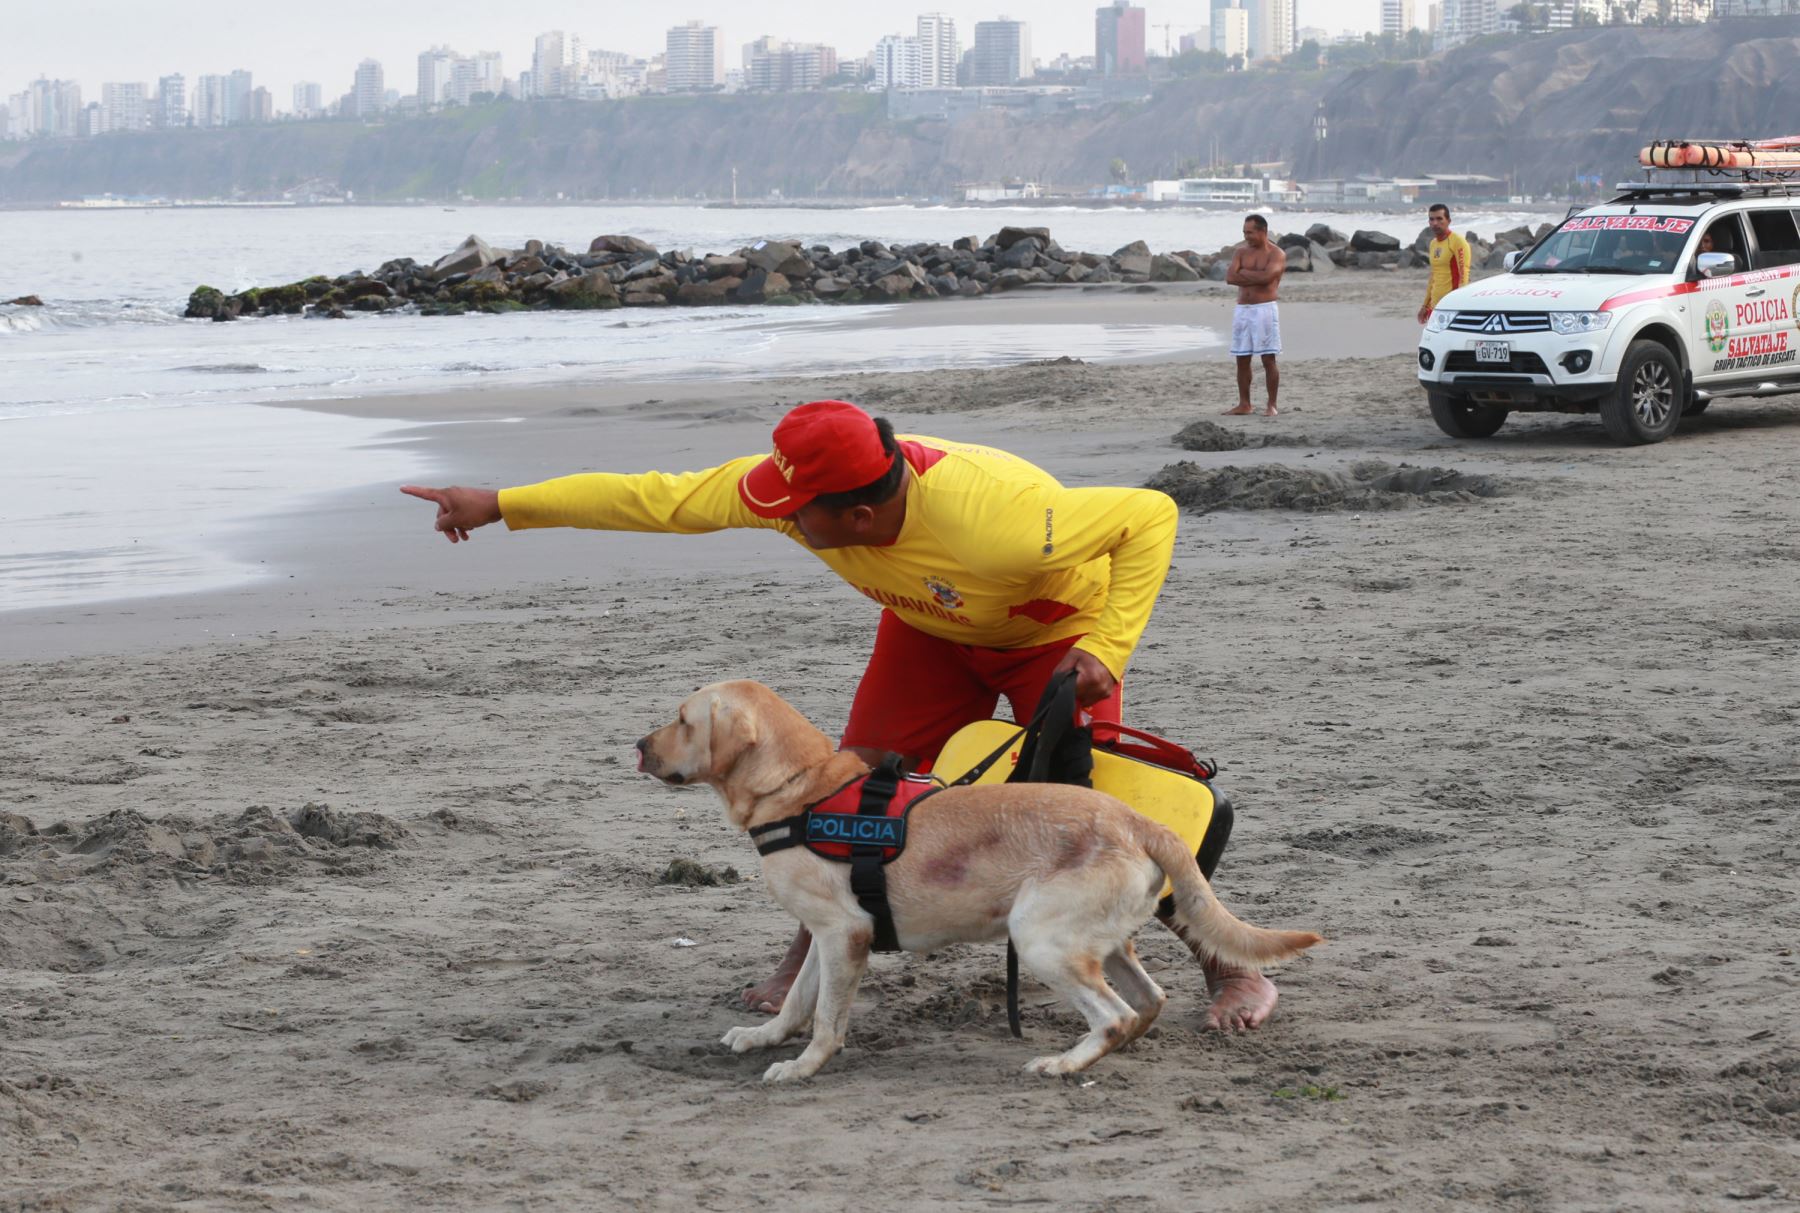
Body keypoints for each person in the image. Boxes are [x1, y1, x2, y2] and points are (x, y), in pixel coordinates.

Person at [402, 400, 1288, 1031]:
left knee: (1090, 813)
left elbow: (1152, 515)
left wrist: (1110, 649)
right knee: (838, 791)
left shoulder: (1008, 522)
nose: (777, 520)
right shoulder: (793, 489)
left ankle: (1228, 963)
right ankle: (814, 950)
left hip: (1055, 642)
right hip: (928, 631)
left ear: (861, 514)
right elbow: (660, 499)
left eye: (798, 518)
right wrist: (504, 505)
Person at [1223, 214, 1285, 417]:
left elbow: (1268, 277)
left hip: (1264, 308)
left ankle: (1272, 405)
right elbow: (1231, 278)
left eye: (1250, 232)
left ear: (1262, 231)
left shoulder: (1276, 254)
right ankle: (1244, 404)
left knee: (1268, 358)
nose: (1246, 236)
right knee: (1242, 358)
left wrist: (1245, 274)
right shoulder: (1241, 252)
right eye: (1244, 232)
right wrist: (1255, 277)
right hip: (1243, 309)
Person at [1417, 203, 1471, 325]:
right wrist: (1425, 305)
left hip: (1450, 307)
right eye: (1431, 219)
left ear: (1448, 221)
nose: (1435, 223)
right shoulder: (1433, 244)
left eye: (1439, 219)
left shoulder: (1458, 241)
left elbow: (1464, 274)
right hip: (1435, 306)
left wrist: (1459, 305)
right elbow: (1433, 277)